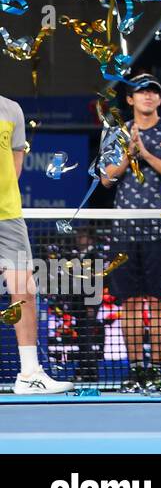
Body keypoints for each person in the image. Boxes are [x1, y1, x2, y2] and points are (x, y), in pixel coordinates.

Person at [97, 73, 161, 393]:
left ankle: (156, 371)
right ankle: (136, 369)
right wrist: (128, 155)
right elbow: (107, 179)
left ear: (160, 99)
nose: (148, 96)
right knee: (132, 305)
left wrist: (147, 155)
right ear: (130, 99)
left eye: (153, 92)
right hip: (125, 229)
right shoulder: (116, 133)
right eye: (141, 92)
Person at [0, 96, 74, 393]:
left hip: (8, 216)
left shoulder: (11, 109)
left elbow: (16, 161)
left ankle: (30, 373)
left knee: (25, 291)